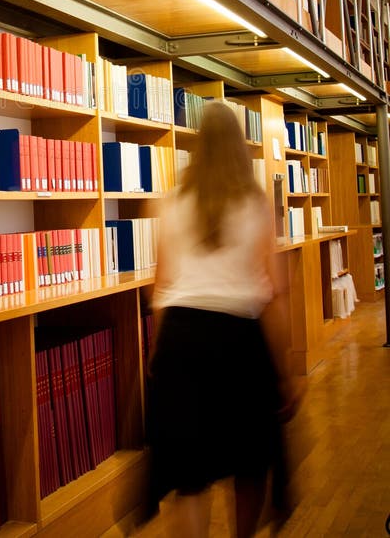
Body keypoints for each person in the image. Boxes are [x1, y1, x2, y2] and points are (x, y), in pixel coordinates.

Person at [142, 101, 300, 537]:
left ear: (197, 144)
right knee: (248, 463)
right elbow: (272, 296)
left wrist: (158, 352)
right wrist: (284, 373)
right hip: (239, 342)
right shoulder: (254, 203)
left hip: (182, 342)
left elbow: (161, 289)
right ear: (239, 146)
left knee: (189, 475)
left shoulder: (172, 202)